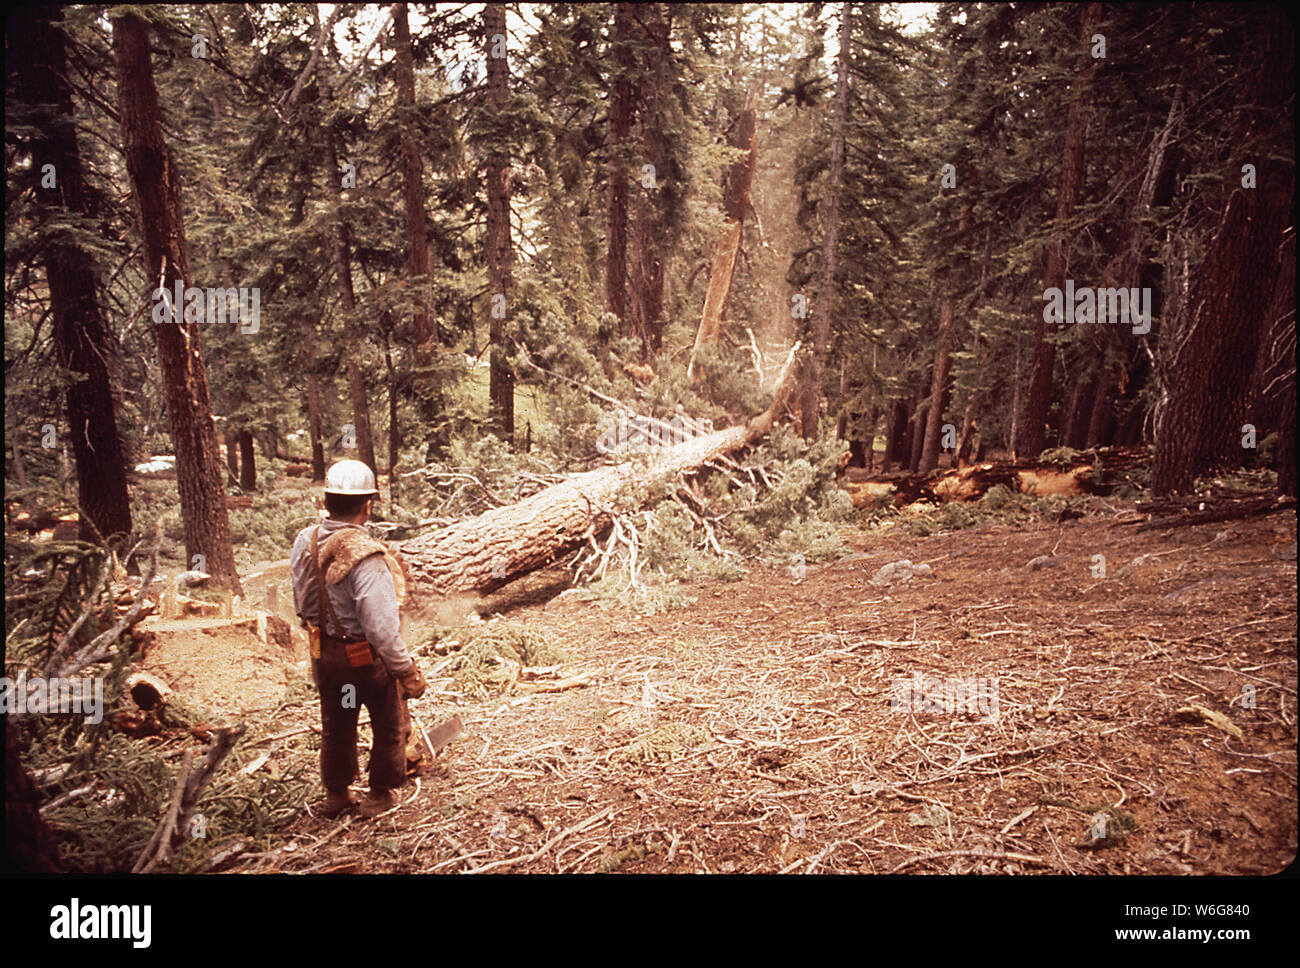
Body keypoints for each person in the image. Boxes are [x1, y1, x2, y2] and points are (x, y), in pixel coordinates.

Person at [291, 460, 427, 819]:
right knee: (388, 724)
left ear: (327, 500)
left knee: (337, 724)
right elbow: (381, 629)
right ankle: (379, 794)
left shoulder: (305, 541)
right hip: (363, 659)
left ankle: (337, 794)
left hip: (327, 655)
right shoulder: (366, 555)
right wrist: (405, 670)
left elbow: (302, 600)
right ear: (367, 505)